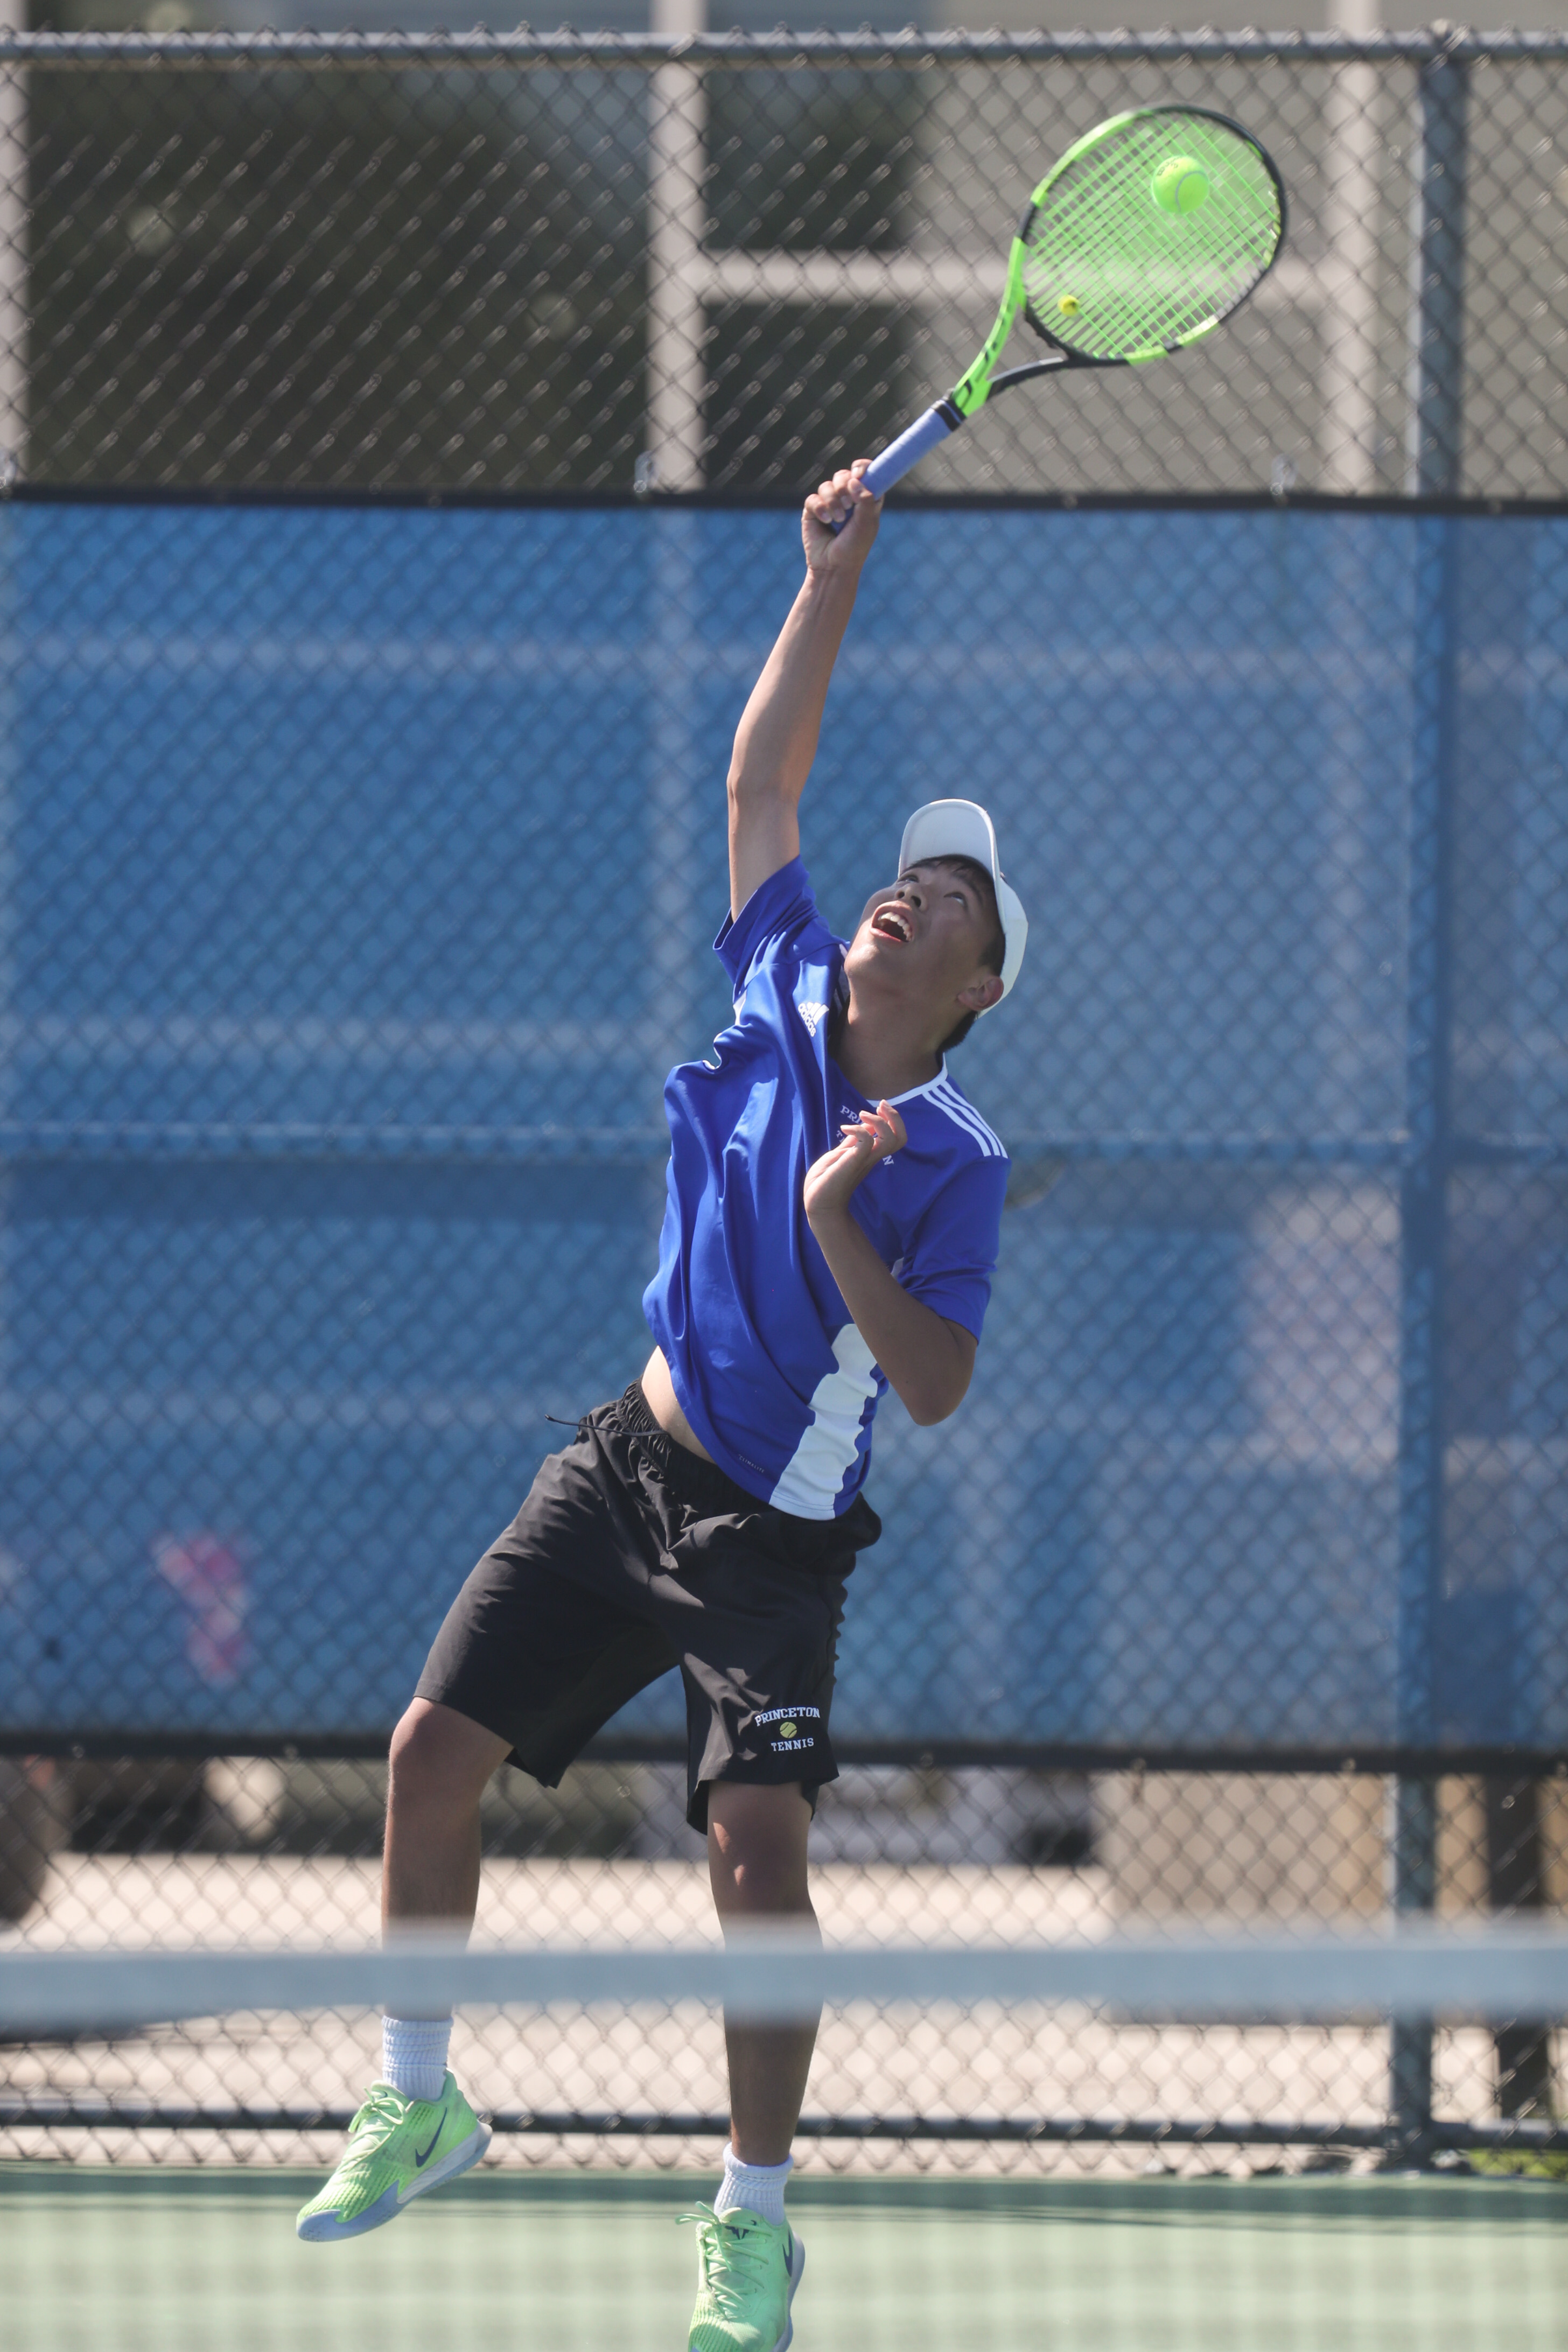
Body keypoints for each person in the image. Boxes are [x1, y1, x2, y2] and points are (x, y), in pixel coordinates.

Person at [294, 460, 1027, 2351]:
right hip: (621, 1464)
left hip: (773, 1547)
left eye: (948, 892)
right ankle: (416, 2091)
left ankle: (755, 2227)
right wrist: (829, 578)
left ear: (976, 982)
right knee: (427, 1754)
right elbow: (759, 783)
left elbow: (932, 1389)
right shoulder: (782, 972)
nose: (905, 883)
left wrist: (838, 1228)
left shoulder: (949, 1155)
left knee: (756, 1864)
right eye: (907, 867)